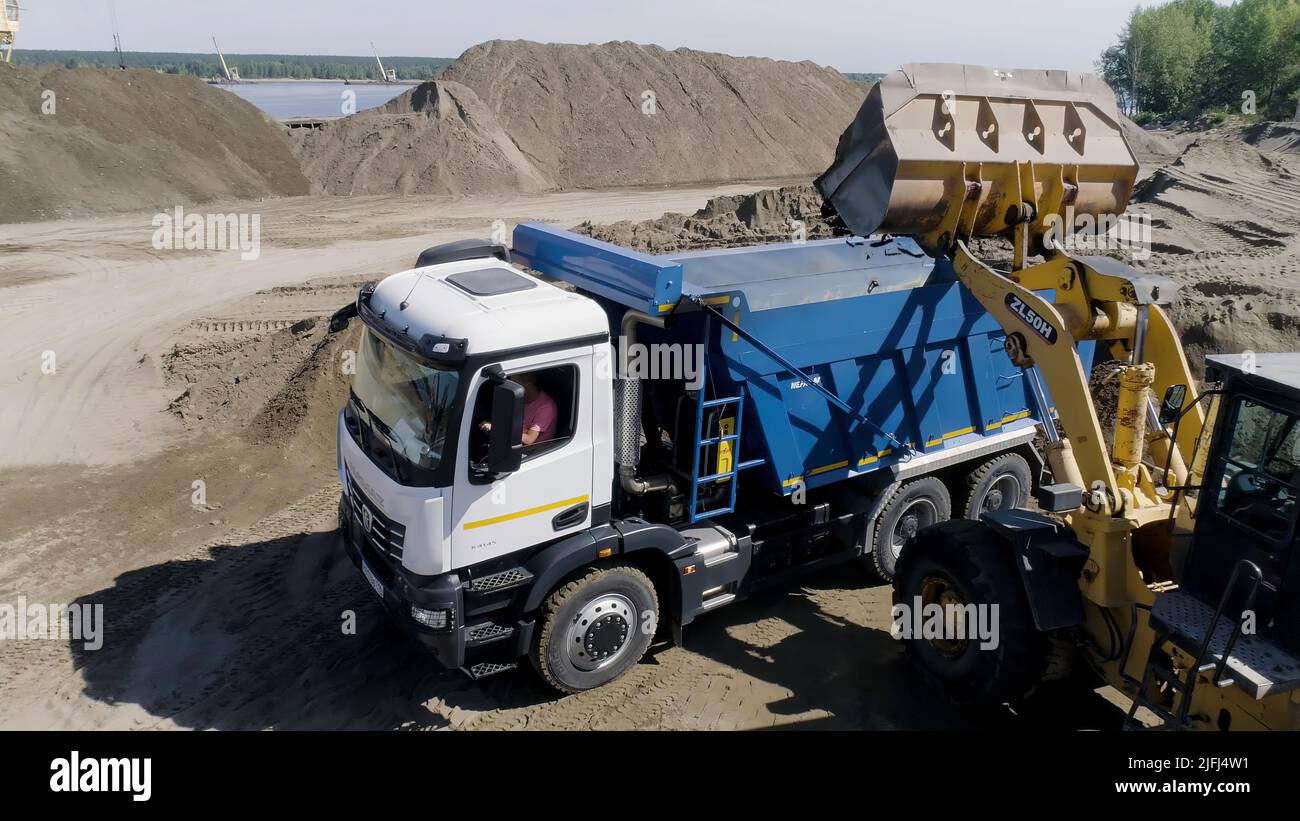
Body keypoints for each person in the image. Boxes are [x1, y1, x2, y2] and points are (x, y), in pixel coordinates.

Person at [479, 371, 557, 447]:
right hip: (510, 442)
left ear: (528, 385)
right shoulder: (522, 398)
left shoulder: (546, 407)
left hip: (528, 454)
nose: (512, 389)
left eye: (515, 386)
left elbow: (529, 440)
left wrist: (498, 429)